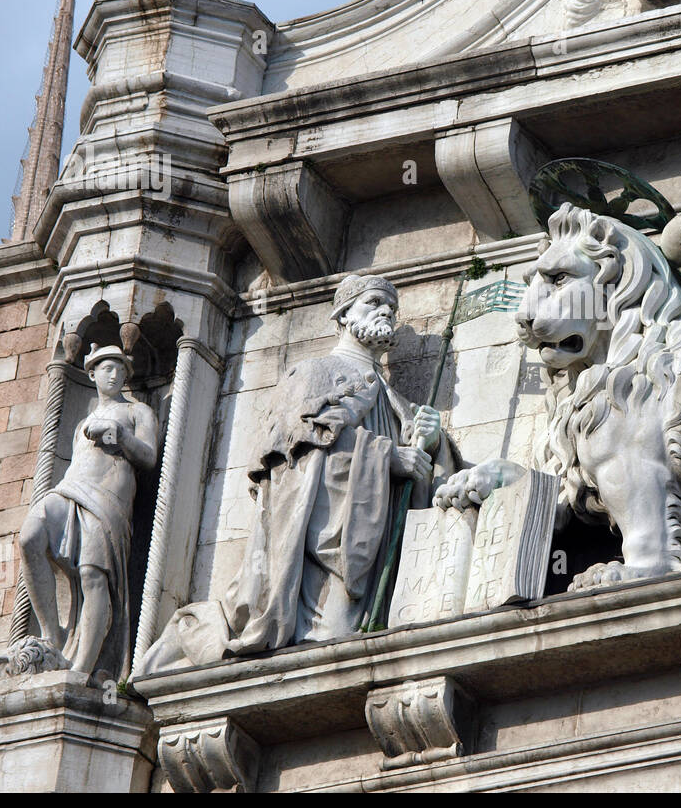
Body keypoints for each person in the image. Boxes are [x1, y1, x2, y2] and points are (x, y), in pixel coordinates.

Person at [142, 274, 458, 673]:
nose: (386, 313)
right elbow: (294, 464)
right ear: (343, 314)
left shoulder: (394, 401)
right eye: (374, 302)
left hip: (374, 545)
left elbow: (423, 483)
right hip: (328, 545)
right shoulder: (313, 374)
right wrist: (385, 457)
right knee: (332, 645)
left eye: (391, 308)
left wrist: (429, 443)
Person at [18, 344, 158, 682]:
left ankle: (84, 666)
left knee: (94, 576)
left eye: (119, 369)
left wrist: (120, 435)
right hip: (70, 491)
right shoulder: (83, 419)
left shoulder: (139, 412)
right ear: (91, 374)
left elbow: (149, 457)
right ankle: (52, 636)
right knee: (29, 537)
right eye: (106, 368)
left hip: (108, 502)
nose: (113, 374)